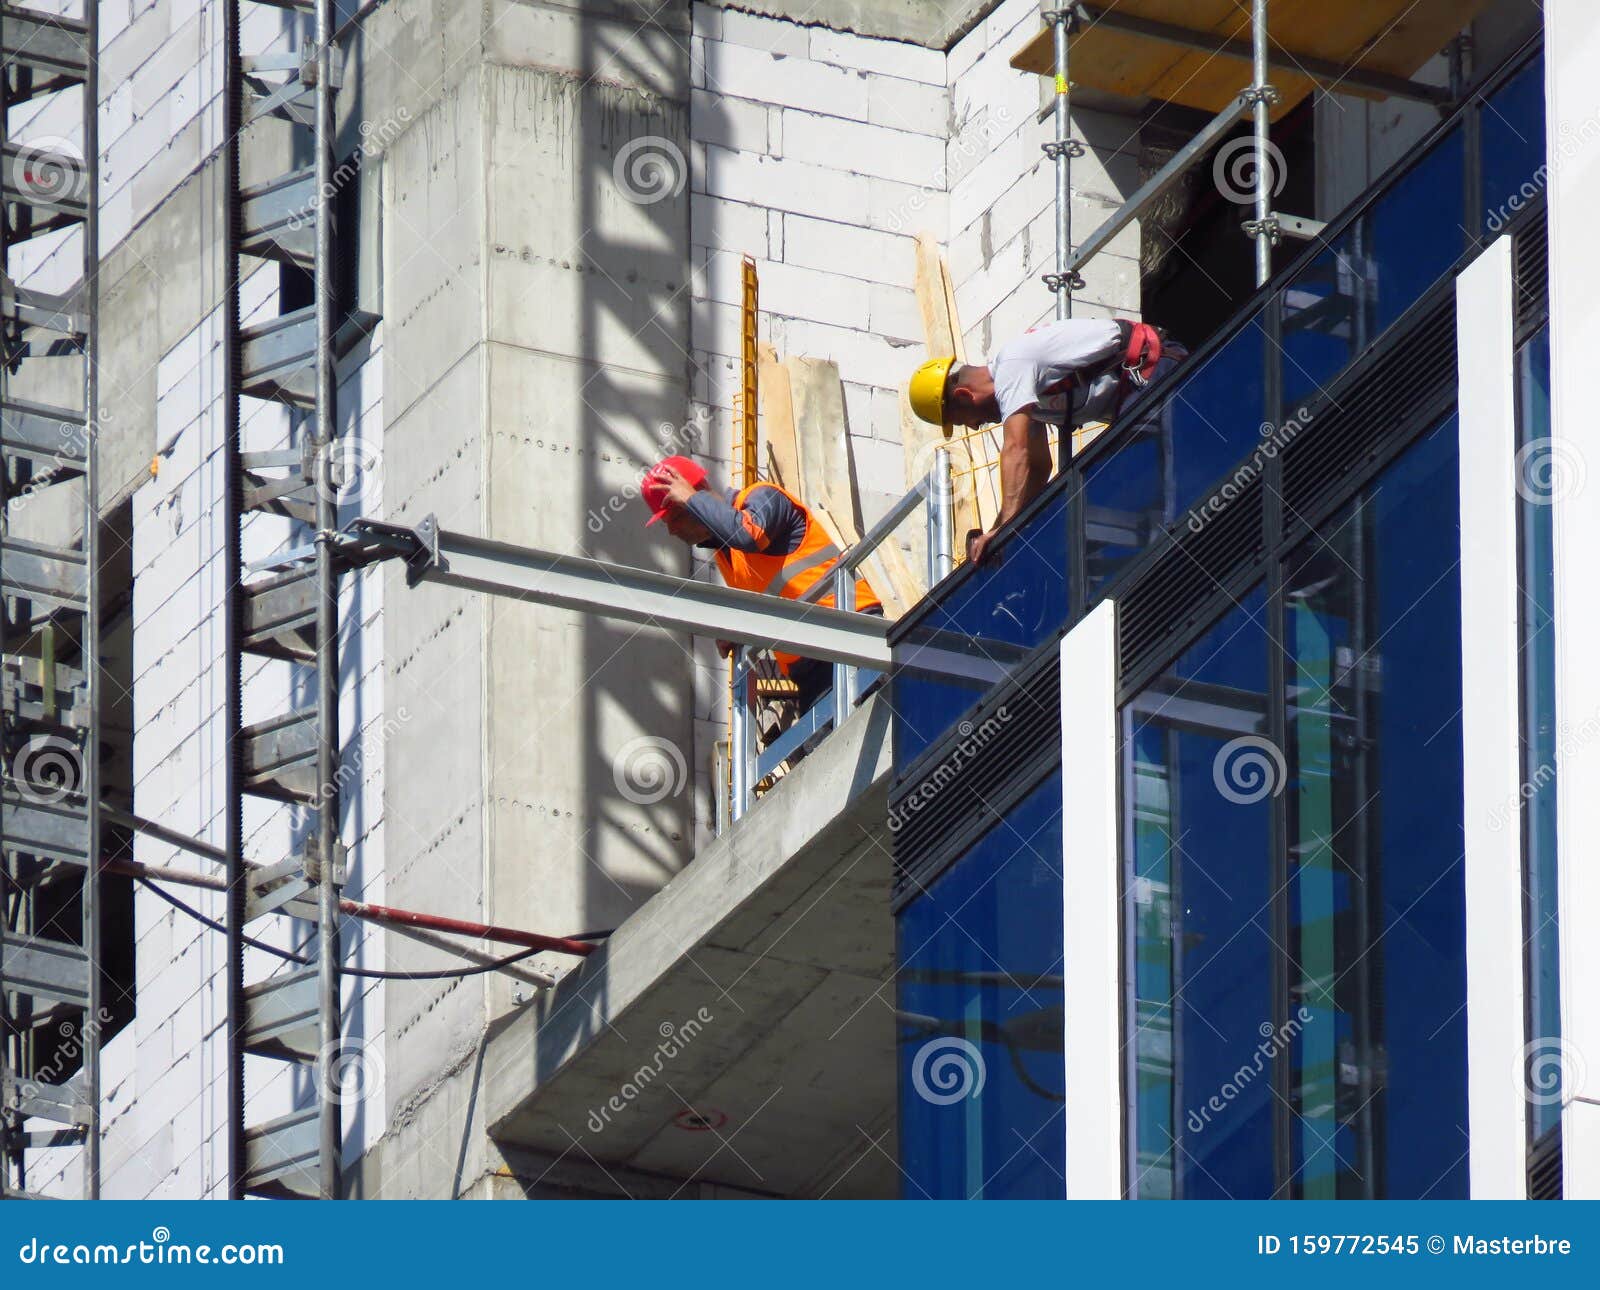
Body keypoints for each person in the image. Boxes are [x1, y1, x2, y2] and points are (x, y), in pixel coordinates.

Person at [908, 317, 1187, 564]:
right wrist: (999, 532)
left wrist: (1004, 529)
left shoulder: (1011, 368)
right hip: (1139, 388)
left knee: (1135, 475)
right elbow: (1038, 466)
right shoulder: (1022, 390)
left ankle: (1177, 548)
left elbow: (1016, 449)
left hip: (1155, 364)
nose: (974, 425)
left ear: (964, 396)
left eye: (963, 419)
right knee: (1132, 478)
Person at [640, 455, 882, 719]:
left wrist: (691, 499)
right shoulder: (726, 555)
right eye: (666, 523)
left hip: (849, 634)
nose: (672, 530)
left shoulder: (763, 497)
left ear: (699, 491)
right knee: (829, 748)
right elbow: (766, 599)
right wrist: (739, 629)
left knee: (872, 722)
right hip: (811, 665)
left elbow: (749, 534)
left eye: (675, 514)